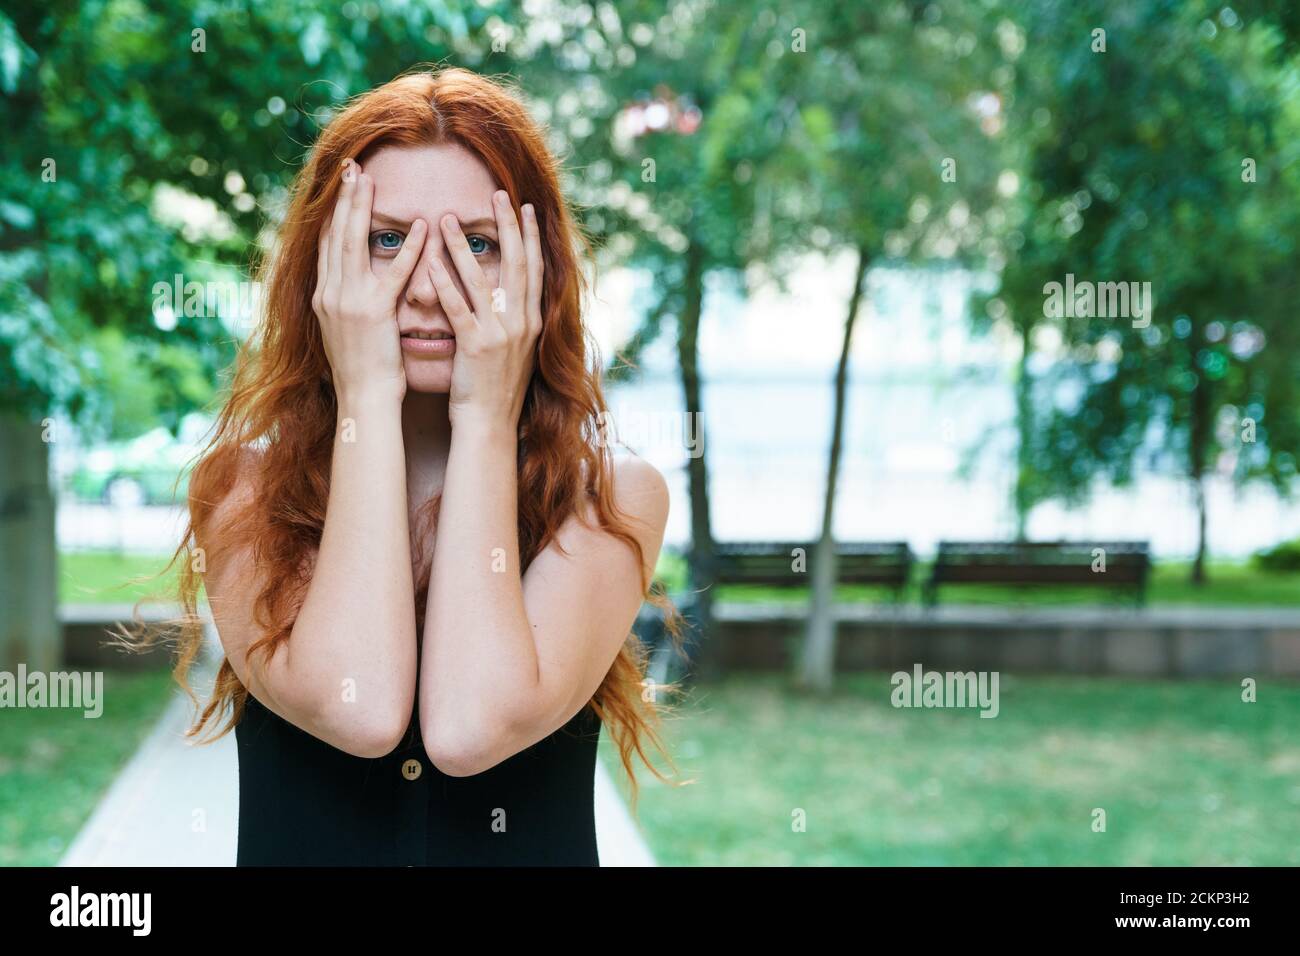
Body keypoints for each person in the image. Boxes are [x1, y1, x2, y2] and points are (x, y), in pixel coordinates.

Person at [162, 66, 688, 866]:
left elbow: (469, 728)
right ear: (323, 264)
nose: (431, 286)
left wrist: (484, 415)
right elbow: (363, 709)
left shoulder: (612, 499)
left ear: (535, 269)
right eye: (386, 239)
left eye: (475, 245)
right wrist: (367, 393)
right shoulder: (240, 490)